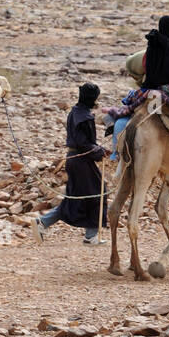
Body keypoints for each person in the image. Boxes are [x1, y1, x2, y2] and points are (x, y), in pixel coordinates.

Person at [33, 83, 108, 245]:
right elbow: (83, 143)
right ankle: (90, 235)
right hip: (82, 160)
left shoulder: (75, 112)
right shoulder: (85, 117)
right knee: (97, 193)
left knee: (76, 197)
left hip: (73, 159)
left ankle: (45, 222)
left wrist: (96, 149)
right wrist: (99, 151)